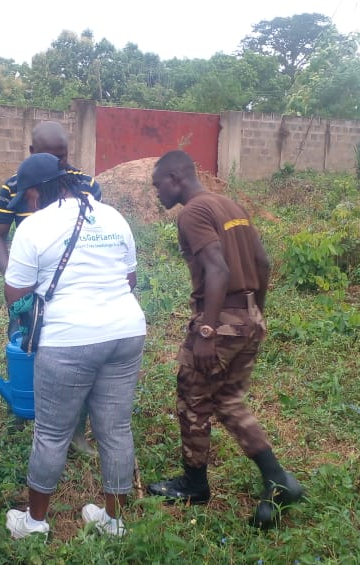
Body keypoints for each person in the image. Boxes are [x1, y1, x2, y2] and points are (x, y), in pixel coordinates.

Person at [146, 150, 302, 529]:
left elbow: (217, 268)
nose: (156, 194)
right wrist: (254, 312)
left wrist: (207, 329)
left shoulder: (193, 212)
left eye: (158, 185)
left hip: (220, 321)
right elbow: (262, 262)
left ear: (176, 178)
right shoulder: (230, 205)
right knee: (228, 398)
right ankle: (278, 478)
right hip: (247, 316)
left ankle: (194, 484)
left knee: (192, 399)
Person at [2, 153, 146, 538]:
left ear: (35, 193)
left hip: (67, 340)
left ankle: (33, 523)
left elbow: (15, 295)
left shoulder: (34, 228)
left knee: (51, 432)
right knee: (115, 429)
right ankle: (112, 521)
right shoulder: (113, 216)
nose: (27, 206)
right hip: (126, 332)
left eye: (27, 199)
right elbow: (129, 279)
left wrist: (35, 314)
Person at [0, 120, 102, 457]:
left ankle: (76, 430)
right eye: (50, 156)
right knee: (29, 350)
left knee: (78, 356)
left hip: (74, 288)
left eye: (63, 155)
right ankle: (35, 416)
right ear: (32, 154)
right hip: (29, 289)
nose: (60, 164)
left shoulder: (87, 185)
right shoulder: (14, 189)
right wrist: (14, 278)